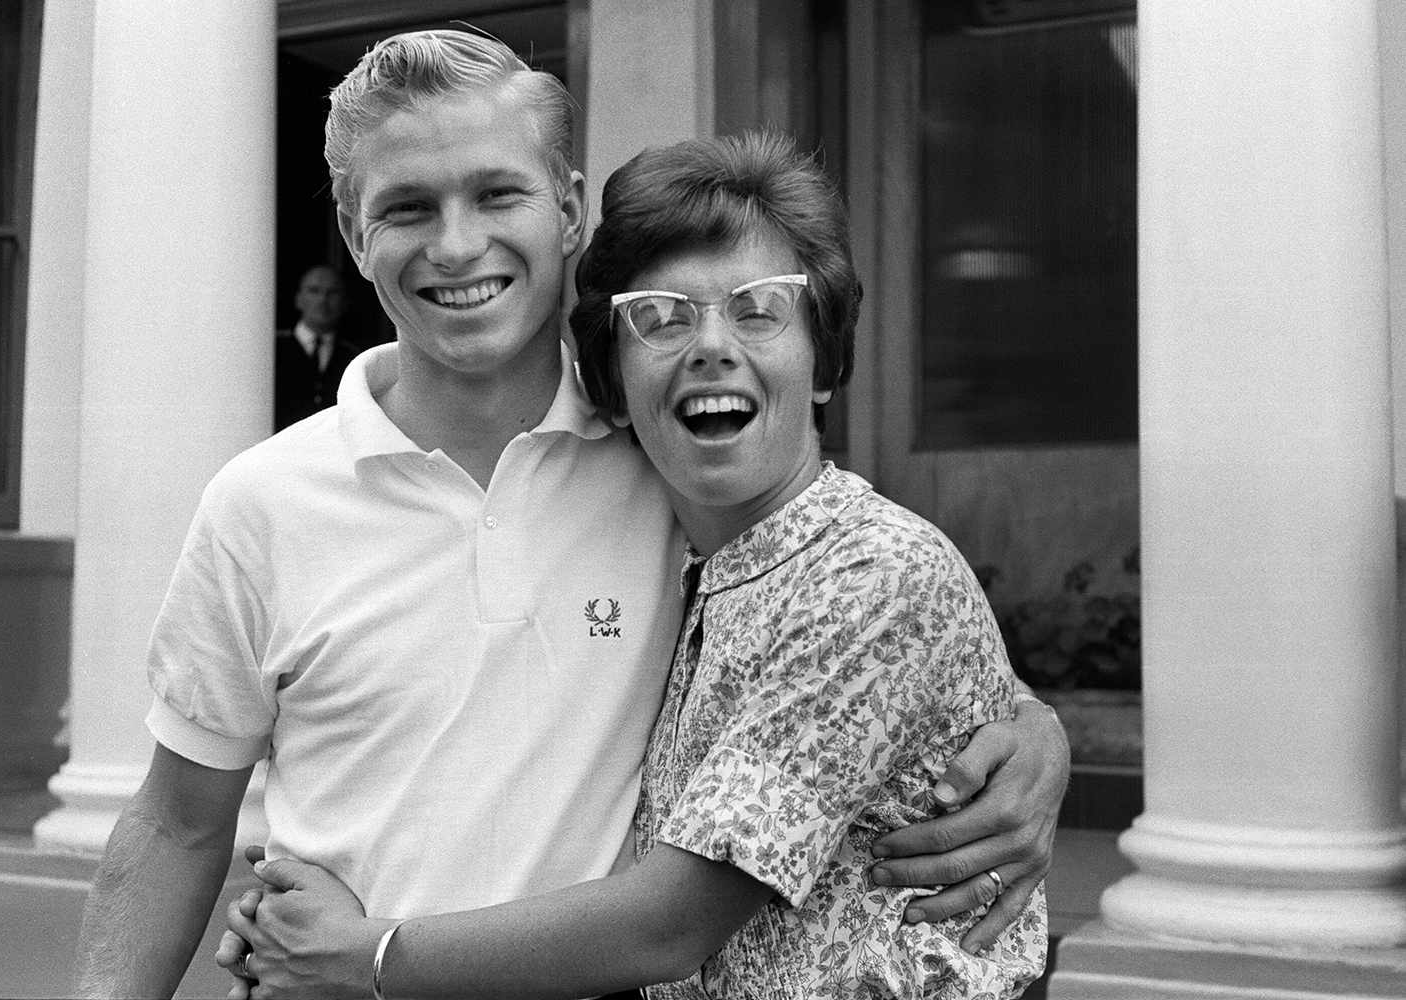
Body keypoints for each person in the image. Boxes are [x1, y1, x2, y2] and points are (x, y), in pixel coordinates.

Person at [69, 29, 1067, 1000]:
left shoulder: (665, 457)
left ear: (568, 207)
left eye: (497, 192)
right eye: (409, 205)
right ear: (354, 233)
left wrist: (1028, 728)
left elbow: (876, 620)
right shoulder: (261, 505)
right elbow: (176, 825)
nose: (458, 244)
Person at [274, 264, 360, 430]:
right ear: (298, 299)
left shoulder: (353, 356)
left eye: (332, 293)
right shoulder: (273, 350)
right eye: (314, 291)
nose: (323, 300)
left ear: (344, 302)